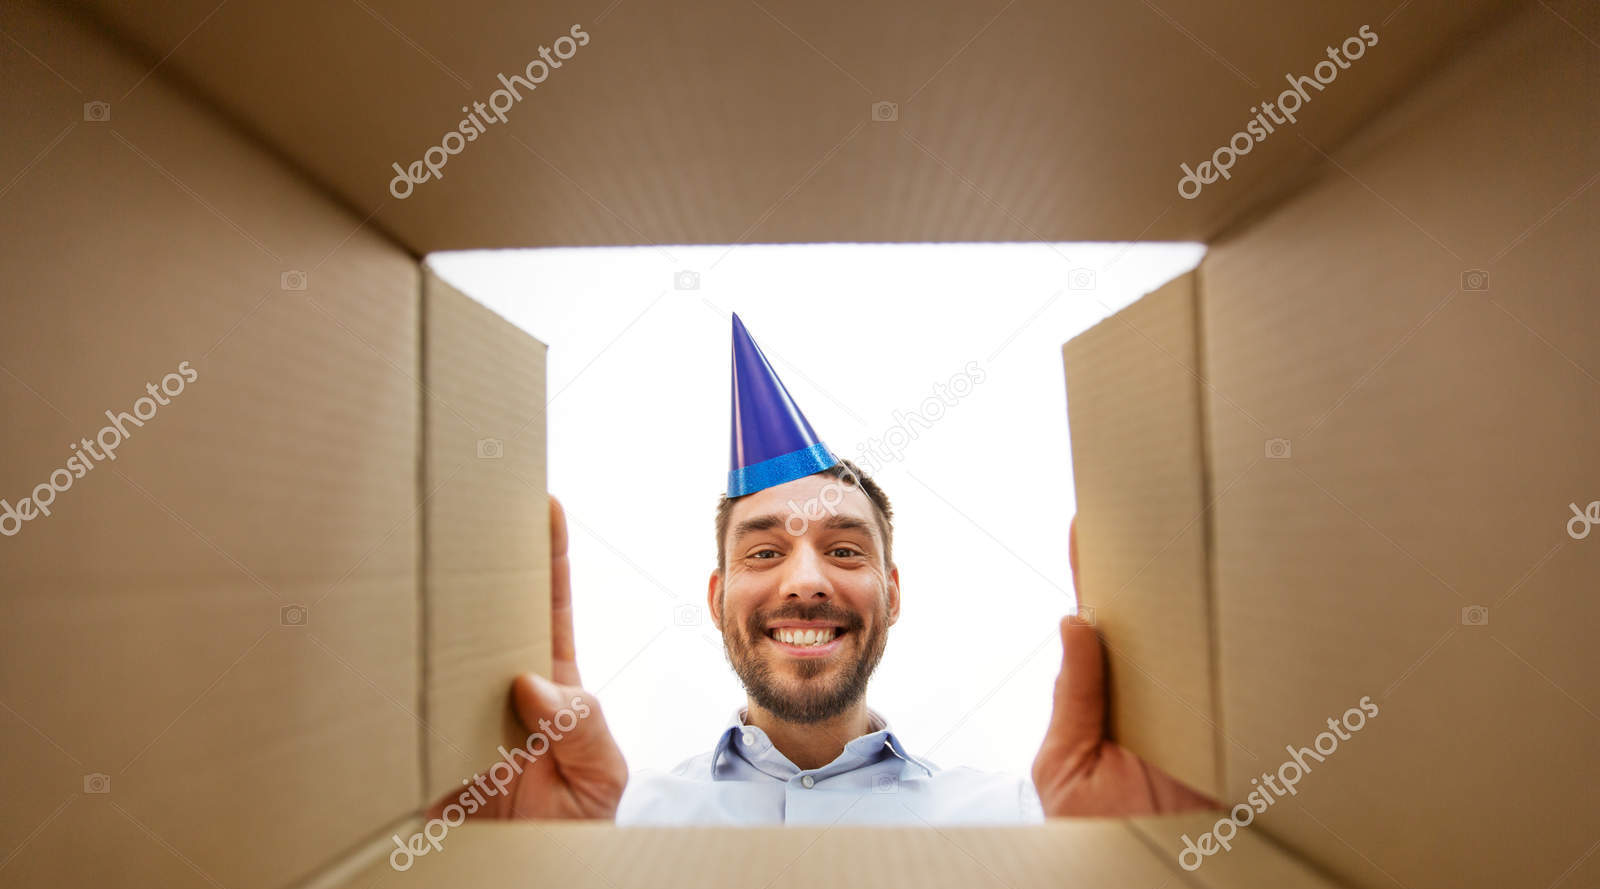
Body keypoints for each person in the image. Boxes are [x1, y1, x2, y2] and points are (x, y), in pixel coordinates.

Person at [428, 315, 1217, 826]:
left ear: (894, 593)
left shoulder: (1019, 822)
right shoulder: (614, 825)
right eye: (764, 551)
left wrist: (1134, 879)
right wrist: (526, 884)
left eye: (844, 549)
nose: (805, 581)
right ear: (716, 597)